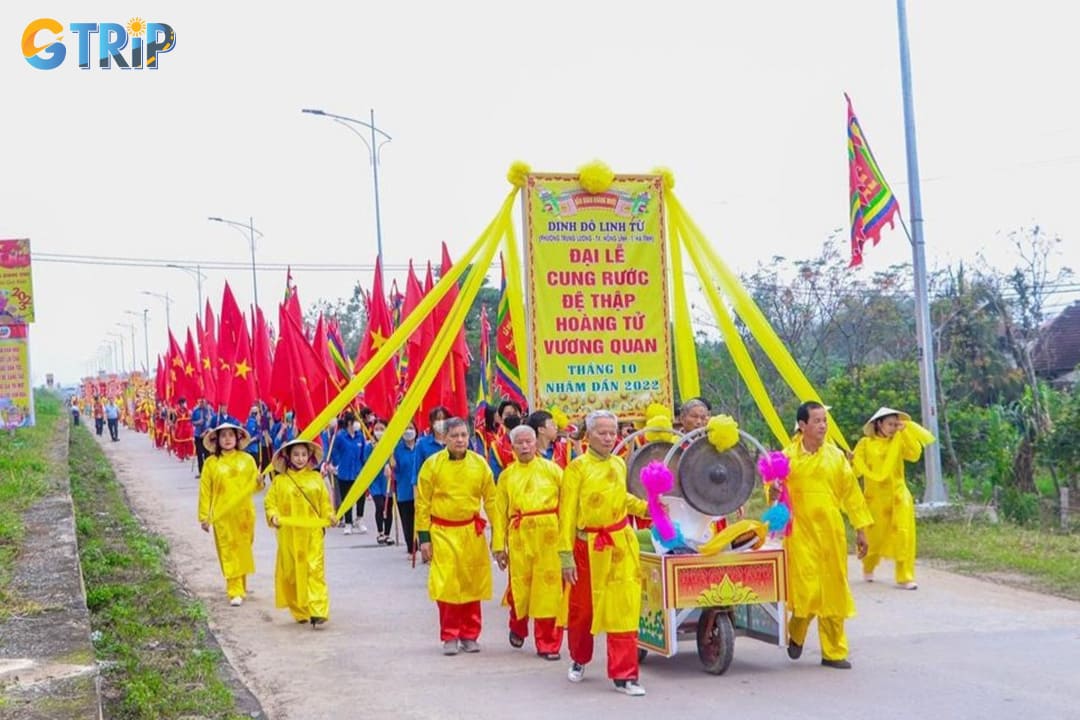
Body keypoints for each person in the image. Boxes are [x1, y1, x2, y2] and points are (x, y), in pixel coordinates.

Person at [560, 409, 650, 696]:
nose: (609, 437)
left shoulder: (619, 464)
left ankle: (625, 675)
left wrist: (647, 507)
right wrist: (566, 555)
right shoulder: (577, 468)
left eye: (613, 432)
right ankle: (579, 657)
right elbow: (567, 513)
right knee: (583, 611)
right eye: (602, 432)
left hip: (620, 544)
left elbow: (620, 497)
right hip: (587, 547)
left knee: (623, 608)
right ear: (588, 435)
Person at [783, 401, 873, 669]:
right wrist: (774, 494)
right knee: (808, 590)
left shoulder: (836, 458)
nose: (823, 426)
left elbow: (852, 496)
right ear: (802, 425)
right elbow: (773, 491)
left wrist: (861, 530)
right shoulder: (787, 457)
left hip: (831, 530)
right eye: (817, 421)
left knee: (833, 589)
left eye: (825, 421)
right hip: (799, 531)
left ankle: (834, 652)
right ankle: (796, 631)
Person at [415, 417, 497, 655]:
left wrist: (497, 535)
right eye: (455, 436)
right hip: (442, 531)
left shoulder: (479, 464)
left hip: (471, 531)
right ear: (445, 438)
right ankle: (450, 635)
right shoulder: (432, 465)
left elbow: (491, 500)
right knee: (448, 583)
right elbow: (423, 503)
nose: (460, 440)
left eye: (463, 435)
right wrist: (424, 539)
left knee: (472, 583)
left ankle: (470, 634)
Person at [491, 424, 565, 660]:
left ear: (536, 443)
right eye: (519, 443)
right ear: (512, 447)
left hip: (549, 536)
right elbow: (499, 513)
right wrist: (498, 546)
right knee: (520, 588)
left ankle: (548, 644)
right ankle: (518, 625)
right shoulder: (506, 477)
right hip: (520, 535)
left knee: (549, 591)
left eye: (528, 442)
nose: (524, 446)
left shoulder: (553, 470)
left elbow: (568, 505)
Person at [852, 407, 935, 590]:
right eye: (889, 424)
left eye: (895, 424)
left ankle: (905, 575)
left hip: (898, 495)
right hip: (875, 498)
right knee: (874, 535)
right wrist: (852, 460)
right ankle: (869, 565)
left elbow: (914, 454)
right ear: (879, 424)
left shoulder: (897, 441)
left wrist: (904, 432)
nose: (892, 428)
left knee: (904, 534)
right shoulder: (865, 444)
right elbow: (856, 471)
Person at [265, 438, 333, 626]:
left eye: (303, 454)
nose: (300, 458)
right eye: (296, 454)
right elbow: (270, 504)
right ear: (288, 457)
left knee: (314, 569)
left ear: (309, 456)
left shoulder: (316, 479)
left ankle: (318, 610)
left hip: (312, 534)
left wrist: (330, 516)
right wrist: (273, 517)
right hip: (289, 535)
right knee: (292, 573)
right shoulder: (279, 481)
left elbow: (325, 503)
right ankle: (301, 611)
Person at [198, 422, 263, 606]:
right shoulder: (211, 463)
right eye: (223, 435)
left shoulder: (247, 460)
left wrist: (259, 481)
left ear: (238, 438)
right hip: (222, 516)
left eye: (231, 435)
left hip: (244, 515)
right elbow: (205, 490)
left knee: (243, 550)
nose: (227, 439)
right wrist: (204, 516)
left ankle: (241, 586)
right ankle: (234, 589)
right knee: (228, 550)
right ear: (217, 439)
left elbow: (256, 487)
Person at [329, 412, 367, 534]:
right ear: (349, 423)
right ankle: (348, 522)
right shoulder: (340, 436)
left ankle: (359, 519)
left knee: (360, 497)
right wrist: (336, 464)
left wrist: (364, 465)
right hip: (344, 472)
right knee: (346, 498)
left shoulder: (360, 436)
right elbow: (334, 450)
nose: (357, 423)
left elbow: (363, 452)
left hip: (358, 471)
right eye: (355, 421)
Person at [363, 419, 395, 545]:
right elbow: (366, 462)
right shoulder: (369, 446)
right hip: (375, 481)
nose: (379, 432)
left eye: (382, 429)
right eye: (377, 429)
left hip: (387, 481)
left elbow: (394, 461)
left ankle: (387, 534)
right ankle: (380, 532)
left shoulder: (391, 444)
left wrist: (390, 466)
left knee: (388, 507)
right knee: (380, 505)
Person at [392, 420, 421, 554]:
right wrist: (390, 466)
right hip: (404, 491)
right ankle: (411, 547)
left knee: (421, 520)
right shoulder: (397, 449)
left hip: (420, 492)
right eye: (406, 428)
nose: (408, 431)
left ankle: (422, 544)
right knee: (408, 522)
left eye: (411, 428)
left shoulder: (421, 447)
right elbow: (394, 470)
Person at [192, 398, 210, 474]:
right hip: (198, 435)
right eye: (200, 402)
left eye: (203, 402)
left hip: (206, 435)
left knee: (207, 454)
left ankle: (208, 472)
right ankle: (201, 472)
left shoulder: (209, 411)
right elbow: (192, 421)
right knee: (199, 454)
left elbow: (211, 422)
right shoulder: (195, 411)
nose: (202, 403)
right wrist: (198, 422)